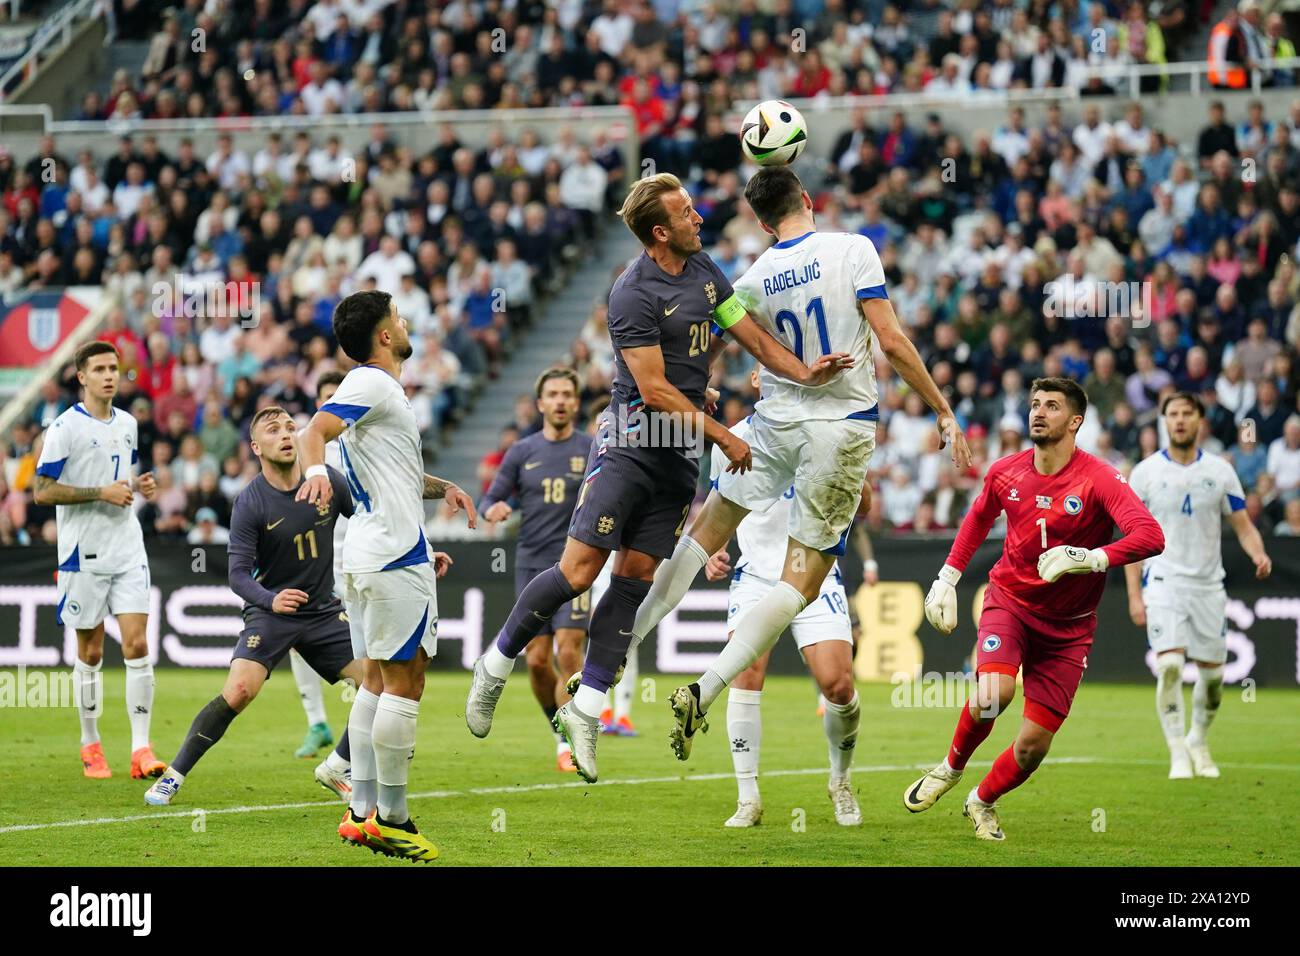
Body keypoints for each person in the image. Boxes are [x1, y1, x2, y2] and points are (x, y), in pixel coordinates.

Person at [464, 172, 850, 783]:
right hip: (629, 448)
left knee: (637, 579)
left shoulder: (707, 274)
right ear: (661, 232)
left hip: (677, 458)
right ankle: (494, 662)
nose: (700, 218)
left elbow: (749, 334)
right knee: (578, 572)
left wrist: (806, 374)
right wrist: (721, 435)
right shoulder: (631, 293)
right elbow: (652, 388)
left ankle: (586, 710)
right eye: (688, 212)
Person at [612, 165, 968, 770]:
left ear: (758, 219)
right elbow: (892, 340)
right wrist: (942, 408)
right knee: (800, 583)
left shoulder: (752, 276)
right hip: (839, 427)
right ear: (807, 199)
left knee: (702, 539)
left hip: (773, 422)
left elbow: (714, 338)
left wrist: (697, 388)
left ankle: (612, 657)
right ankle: (705, 687)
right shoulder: (854, 248)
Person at [907, 378, 1164, 841]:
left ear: (1076, 422)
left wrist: (1092, 557)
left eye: (1051, 406)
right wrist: (947, 578)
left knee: (1032, 747)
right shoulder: (1006, 471)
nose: (1038, 412)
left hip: (1070, 627)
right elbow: (979, 517)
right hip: (1011, 603)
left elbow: (1150, 535)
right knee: (995, 693)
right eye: (1034, 404)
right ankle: (949, 768)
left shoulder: (1100, 479)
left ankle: (982, 801)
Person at [296, 290, 476, 861]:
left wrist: (442, 487)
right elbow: (311, 435)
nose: (404, 323)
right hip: (391, 555)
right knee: (406, 682)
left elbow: (395, 475)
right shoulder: (372, 382)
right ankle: (394, 818)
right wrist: (317, 471)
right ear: (382, 335)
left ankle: (360, 812)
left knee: (375, 678)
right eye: (396, 317)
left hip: (378, 552)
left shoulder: (377, 397)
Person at [142, 406, 371, 808]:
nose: (286, 434)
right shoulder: (250, 501)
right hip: (270, 613)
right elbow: (238, 575)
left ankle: (340, 765)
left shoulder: (326, 481)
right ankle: (173, 776)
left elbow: (371, 520)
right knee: (240, 690)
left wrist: (419, 550)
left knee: (378, 683)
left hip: (321, 611)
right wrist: (271, 600)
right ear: (255, 447)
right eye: (273, 430)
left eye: (290, 427)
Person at [701, 370, 867, 827]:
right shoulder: (731, 440)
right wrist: (715, 550)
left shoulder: (832, 430)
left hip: (813, 573)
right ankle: (748, 798)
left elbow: (865, 504)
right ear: (757, 379)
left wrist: (849, 474)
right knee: (744, 674)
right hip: (756, 574)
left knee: (839, 685)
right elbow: (718, 508)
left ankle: (840, 779)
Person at [34, 341, 163, 781]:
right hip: (81, 553)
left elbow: (116, 476)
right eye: (100, 369)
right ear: (82, 377)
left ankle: (141, 749)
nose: (110, 375)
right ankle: (91, 743)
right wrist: (99, 492)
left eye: (114, 368)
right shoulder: (64, 428)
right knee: (89, 651)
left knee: (137, 645)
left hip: (126, 546)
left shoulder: (127, 423)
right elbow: (42, 490)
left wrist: (135, 484)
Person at [1125, 392, 1271, 778]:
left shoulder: (1221, 472)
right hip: (1164, 583)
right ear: (1164, 422)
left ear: (1200, 421)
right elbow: (1131, 540)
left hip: (1208, 587)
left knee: (1213, 680)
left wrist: (1258, 553)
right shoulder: (1145, 473)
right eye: (1172, 414)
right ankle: (1176, 750)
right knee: (1170, 665)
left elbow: (1243, 525)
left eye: (1187, 414)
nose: (1179, 421)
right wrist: (1135, 595)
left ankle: (1198, 740)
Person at [480, 367, 594, 772]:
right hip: (530, 567)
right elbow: (489, 498)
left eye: (567, 394)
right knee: (537, 660)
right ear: (541, 403)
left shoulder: (594, 448)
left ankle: (575, 736)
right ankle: (558, 732)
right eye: (553, 394)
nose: (561, 400)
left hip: (576, 565)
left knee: (568, 649)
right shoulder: (522, 452)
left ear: (576, 403)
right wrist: (493, 507)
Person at [286, 370, 347, 760]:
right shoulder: (303, 446)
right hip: (313, 560)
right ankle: (317, 723)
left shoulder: (364, 442)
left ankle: (363, 726)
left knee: (361, 643)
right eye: (326, 398)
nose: (331, 405)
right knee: (296, 639)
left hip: (356, 556)